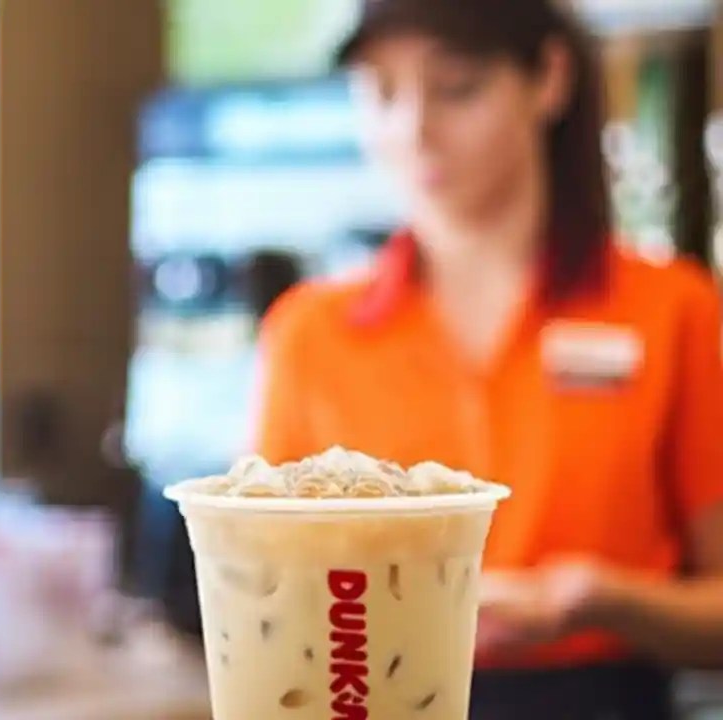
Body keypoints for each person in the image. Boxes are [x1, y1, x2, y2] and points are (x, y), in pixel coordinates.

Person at [256, 0, 723, 717]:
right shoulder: (309, 332)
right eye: (381, 91)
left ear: (550, 79)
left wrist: (602, 597)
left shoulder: (674, 310)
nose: (414, 131)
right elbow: (264, 597)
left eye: (457, 89)